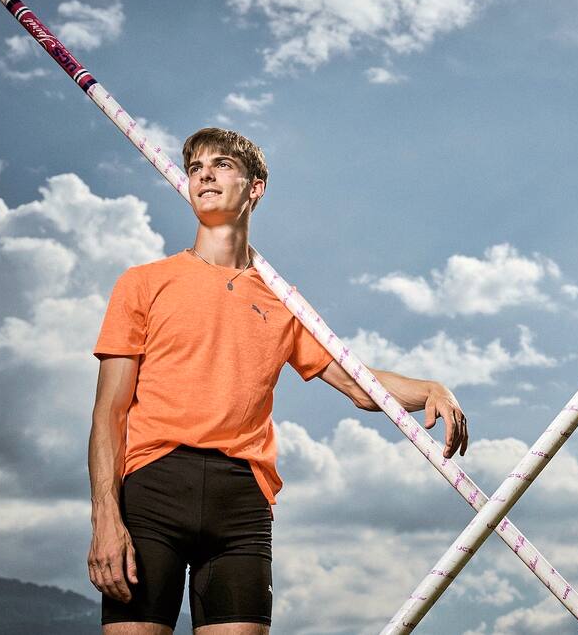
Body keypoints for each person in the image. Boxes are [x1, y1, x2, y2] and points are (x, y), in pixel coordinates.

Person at [87, 128, 469, 634]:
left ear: (255, 188)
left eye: (221, 164)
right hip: (154, 488)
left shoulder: (282, 300)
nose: (204, 173)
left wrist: (430, 389)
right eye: (195, 166)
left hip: (241, 502)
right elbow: (108, 414)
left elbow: (360, 385)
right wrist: (104, 519)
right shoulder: (143, 282)